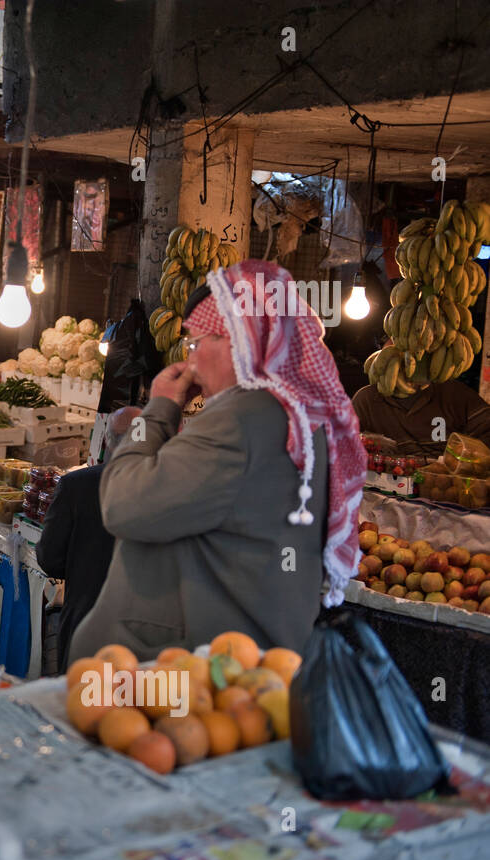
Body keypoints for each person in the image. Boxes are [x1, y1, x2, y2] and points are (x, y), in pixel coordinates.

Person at [68, 260, 366, 661]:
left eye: (195, 343)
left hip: (190, 672)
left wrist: (156, 412)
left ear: (236, 339)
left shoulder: (240, 420)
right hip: (239, 658)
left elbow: (122, 504)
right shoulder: (301, 416)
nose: (190, 363)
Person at [37, 406, 142, 675]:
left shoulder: (76, 485)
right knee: (134, 709)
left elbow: (50, 558)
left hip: (86, 624)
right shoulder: (170, 488)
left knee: (82, 706)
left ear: (106, 440)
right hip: (145, 633)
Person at [352, 378, 490, 455]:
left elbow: (486, 431)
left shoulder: (454, 393)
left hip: (444, 490)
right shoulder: (367, 400)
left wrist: (462, 457)